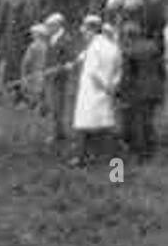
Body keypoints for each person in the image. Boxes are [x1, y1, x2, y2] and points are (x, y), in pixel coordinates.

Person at [70, 21, 121, 167]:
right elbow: (118, 71)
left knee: (83, 124)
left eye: (85, 32)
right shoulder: (113, 47)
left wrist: (104, 88)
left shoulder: (94, 48)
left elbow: (93, 73)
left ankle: (81, 158)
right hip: (107, 90)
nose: (84, 35)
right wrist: (112, 87)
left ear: (92, 31)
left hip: (91, 91)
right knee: (105, 124)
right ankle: (112, 163)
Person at [115, 19, 163, 162]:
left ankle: (142, 154)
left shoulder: (129, 51)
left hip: (139, 91)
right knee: (148, 120)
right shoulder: (153, 47)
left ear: (129, 36)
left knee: (139, 121)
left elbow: (127, 76)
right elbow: (161, 70)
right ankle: (151, 149)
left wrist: (120, 92)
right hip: (155, 90)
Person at [41, 13, 78, 145]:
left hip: (60, 78)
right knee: (53, 104)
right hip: (51, 76)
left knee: (58, 105)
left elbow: (70, 61)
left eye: (50, 26)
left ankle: (58, 133)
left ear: (57, 25)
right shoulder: (52, 38)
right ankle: (58, 131)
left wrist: (59, 68)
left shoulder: (65, 39)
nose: (48, 29)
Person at [20, 23, 50, 116]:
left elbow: (26, 61)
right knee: (42, 93)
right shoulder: (47, 46)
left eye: (33, 33)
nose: (32, 35)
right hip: (44, 73)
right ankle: (43, 111)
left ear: (38, 34)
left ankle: (34, 112)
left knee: (33, 94)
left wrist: (23, 74)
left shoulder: (33, 46)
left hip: (34, 73)